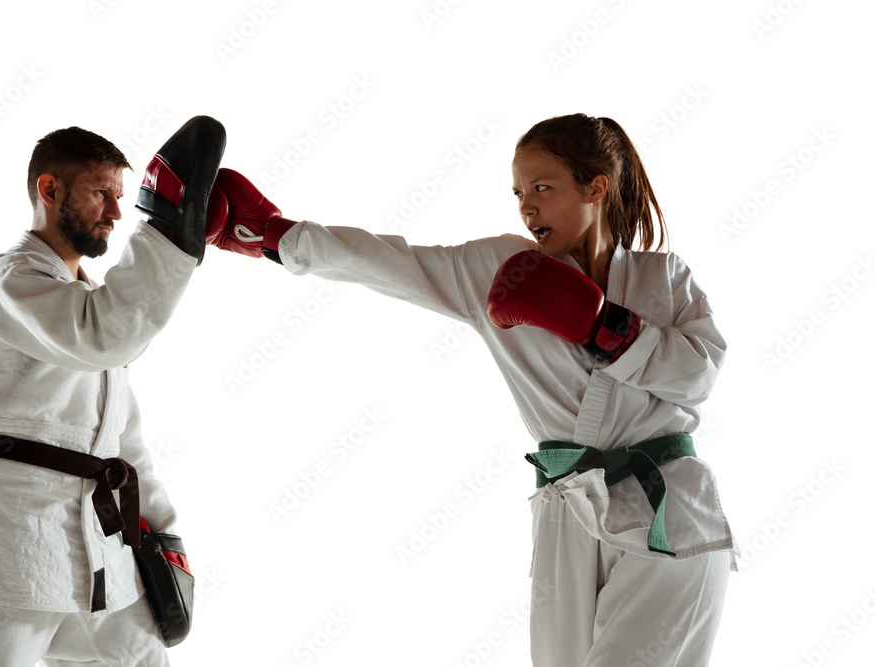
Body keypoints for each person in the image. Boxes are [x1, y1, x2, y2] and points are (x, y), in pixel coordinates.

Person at [203, 113, 735, 666]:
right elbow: (393, 262)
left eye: (543, 188)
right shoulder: (503, 268)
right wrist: (271, 234)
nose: (526, 206)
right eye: (518, 192)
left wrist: (601, 324)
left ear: (595, 187)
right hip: (568, 517)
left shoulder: (666, 277)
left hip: (668, 518)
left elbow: (698, 378)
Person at [0, 116, 226, 666]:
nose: (114, 211)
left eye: (123, 197)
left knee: (141, 658)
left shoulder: (83, 301)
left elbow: (122, 443)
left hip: (100, 542)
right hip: (14, 533)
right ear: (49, 189)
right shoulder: (10, 281)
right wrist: (168, 227)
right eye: (100, 193)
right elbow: (105, 332)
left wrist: (165, 534)